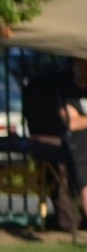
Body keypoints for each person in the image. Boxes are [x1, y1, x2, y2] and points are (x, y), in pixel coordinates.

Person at [56, 57, 87, 231]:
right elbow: (72, 123)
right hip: (79, 147)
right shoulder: (66, 93)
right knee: (85, 184)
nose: (84, 69)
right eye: (81, 65)